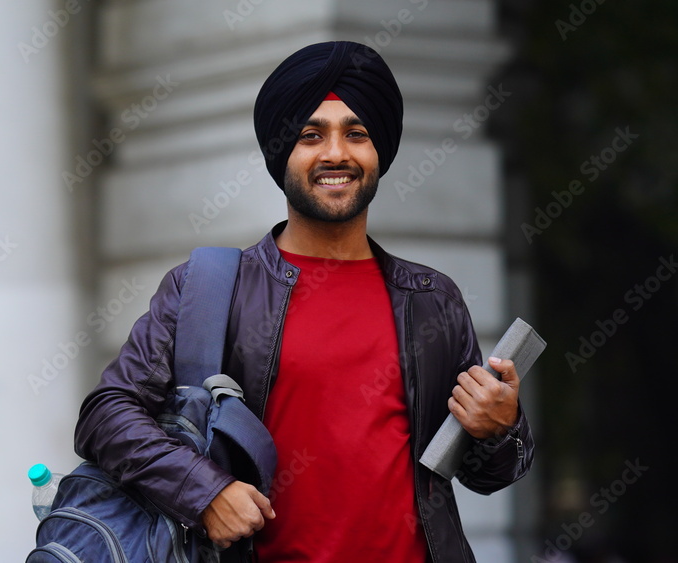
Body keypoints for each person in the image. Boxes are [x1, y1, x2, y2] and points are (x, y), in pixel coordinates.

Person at [74, 40, 534, 562]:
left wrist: (500, 425)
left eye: (356, 134)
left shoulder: (431, 299)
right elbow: (106, 414)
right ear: (282, 152)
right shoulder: (206, 289)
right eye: (311, 135)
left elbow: (486, 477)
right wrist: (202, 492)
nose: (336, 153)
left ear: (378, 150)